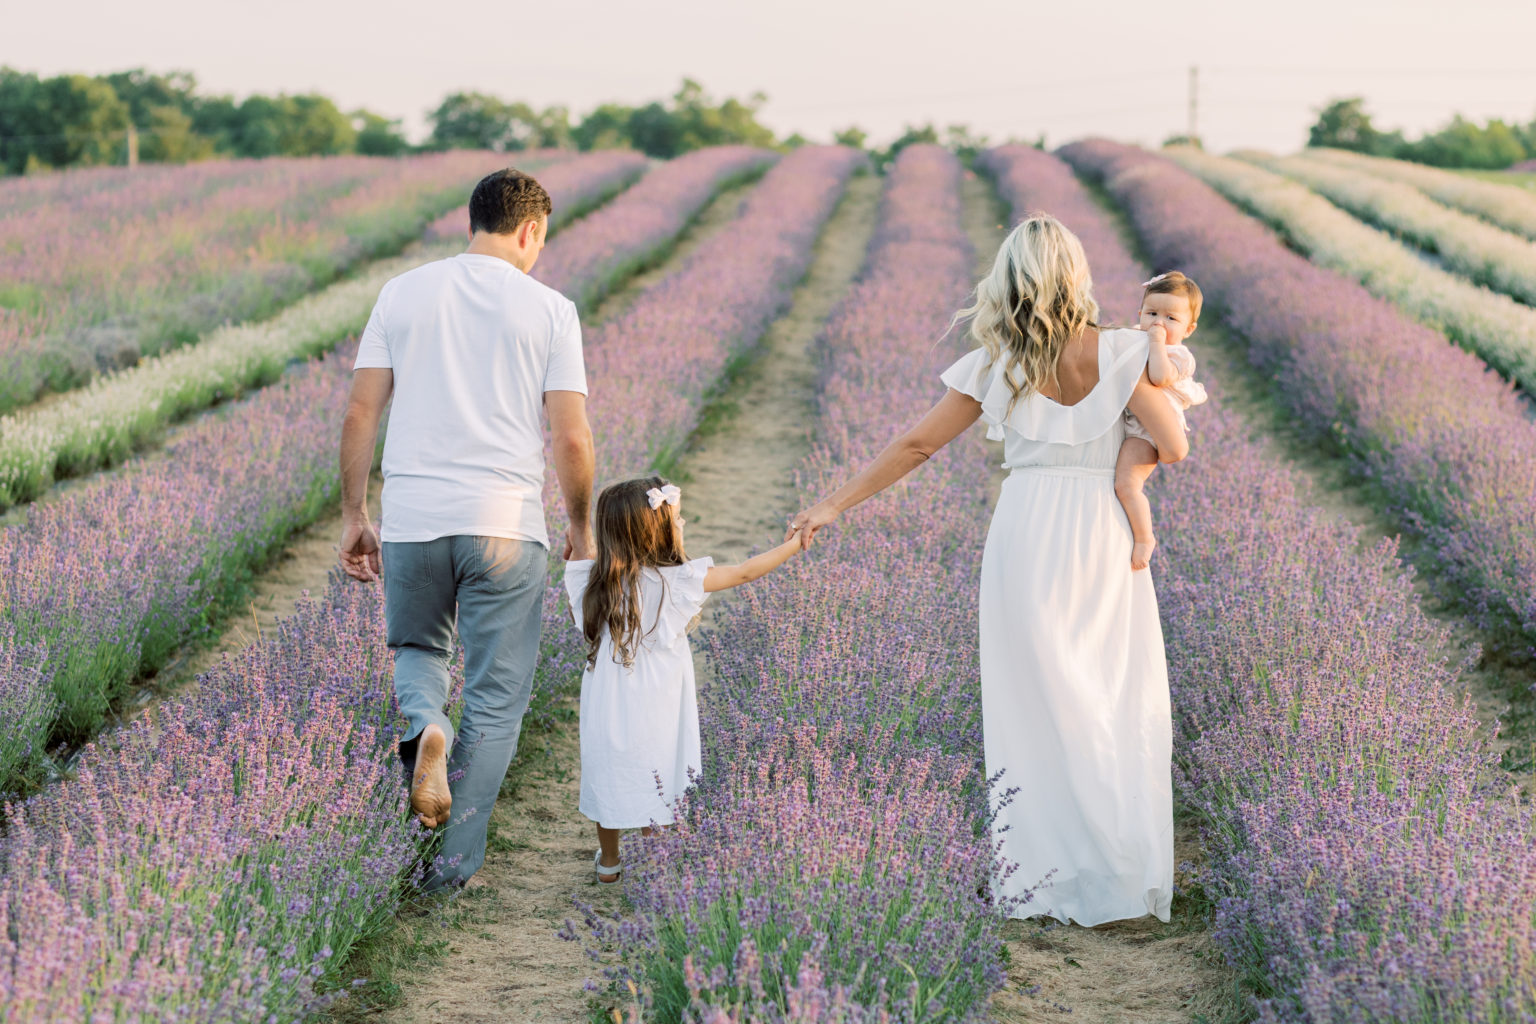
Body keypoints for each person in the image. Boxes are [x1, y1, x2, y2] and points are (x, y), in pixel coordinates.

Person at [791, 215, 1186, 926]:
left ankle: (1043, 875)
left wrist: (831, 504)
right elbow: (1173, 442)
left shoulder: (996, 365)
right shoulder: (1127, 351)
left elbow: (915, 447)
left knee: (1033, 705)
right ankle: (1120, 868)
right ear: (1078, 276)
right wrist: (1136, 459)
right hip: (1104, 531)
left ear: (1008, 280)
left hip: (1028, 533)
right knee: (1110, 693)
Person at [337, 167, 596, 891]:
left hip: (416, 519)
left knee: (418, 647)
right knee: (495, 696)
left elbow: (361, 413)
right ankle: (450, 868)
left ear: (472, 219)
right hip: (506, 525)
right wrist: (580, 524)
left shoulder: (403, 292)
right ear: (531, 230)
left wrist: (357, 516)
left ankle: (427, 727)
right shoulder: (550, 309)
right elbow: (571, 439)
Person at [564, 477, 803, 884]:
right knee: (656, 768)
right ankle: (655, 861)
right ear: (655, 531)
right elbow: (745, 572)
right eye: (677, 517)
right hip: (657, 703)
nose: (684, 522)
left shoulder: (592, 580)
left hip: (608, 700)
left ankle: (609, 862)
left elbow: (578, 549)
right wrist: (795, 544)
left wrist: (578, 529)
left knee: (610, 768)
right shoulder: (676, 581)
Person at [1115, 271, 1207, 570]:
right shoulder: (1136, 337)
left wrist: (1156, 343)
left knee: (1127, 484)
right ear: (1139, 313)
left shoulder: (1179, 355)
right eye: (1152, 313)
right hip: (1127, 420)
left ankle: (1144, 538)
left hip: (1149, 431)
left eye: (1171, 319)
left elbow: (1158, 376)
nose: (1158, 323)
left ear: (1189, 329)